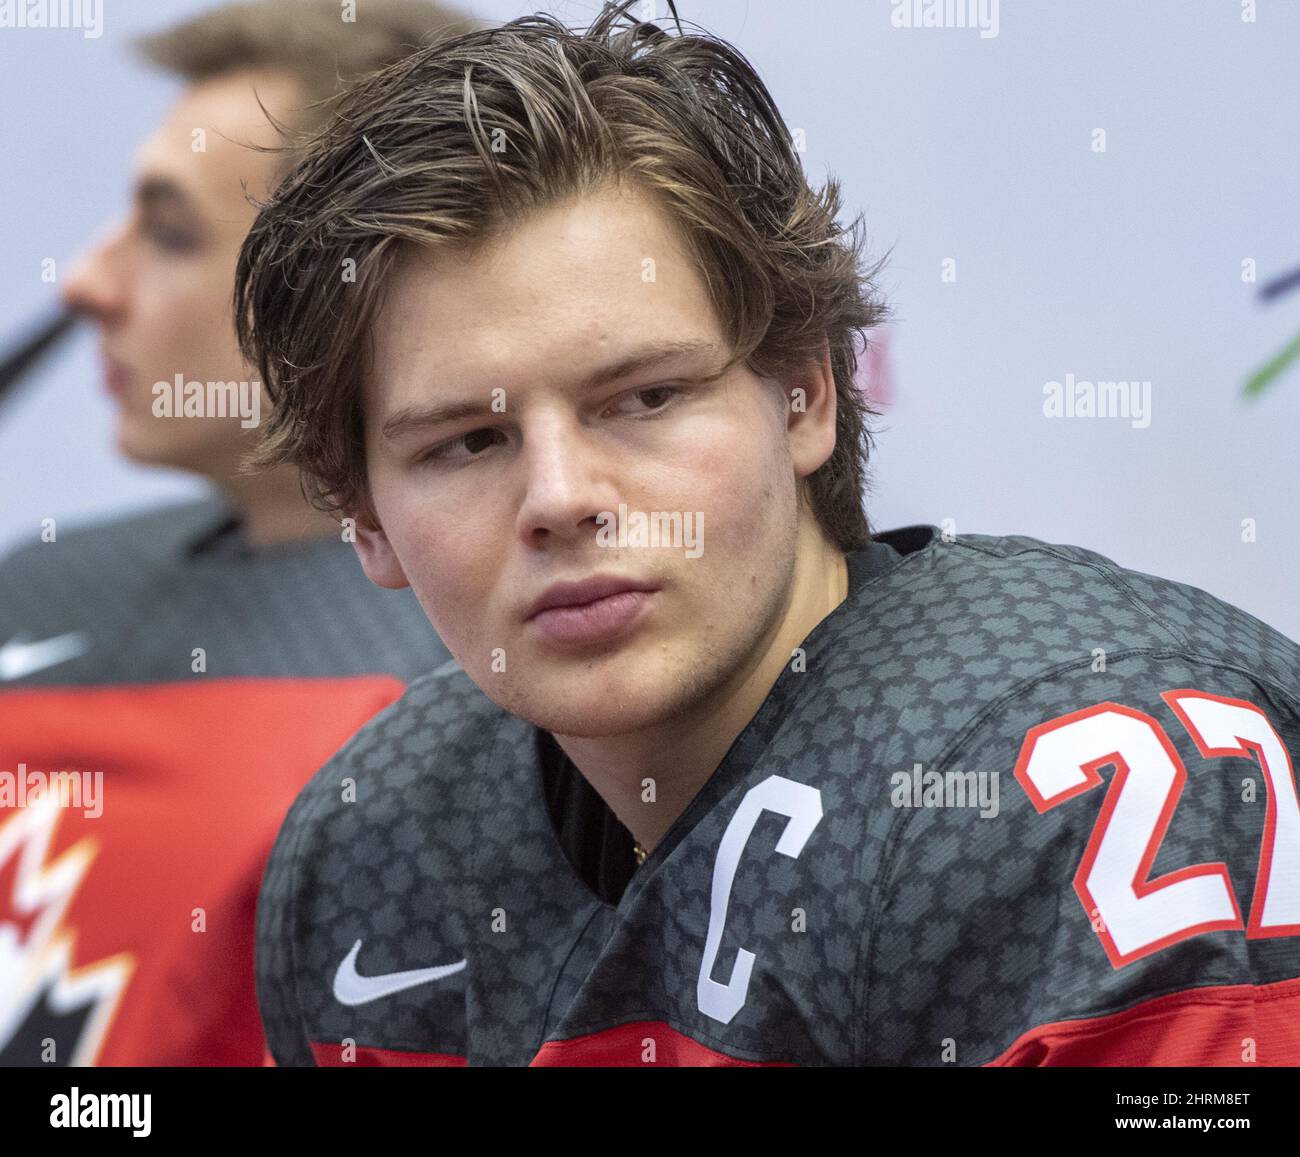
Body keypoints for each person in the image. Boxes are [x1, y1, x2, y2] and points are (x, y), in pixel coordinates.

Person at [239, 2, 1300, 1066]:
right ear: (364, 518)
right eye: (468, 441)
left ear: (804, 395)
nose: (559, 496)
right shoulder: (371, 851)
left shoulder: (1079, 774)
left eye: (644, 398)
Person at [0, 0, 469, 1066]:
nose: (83, 282)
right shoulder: (36, 584)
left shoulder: (500, 654)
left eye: (170, 233)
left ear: (358, 289)